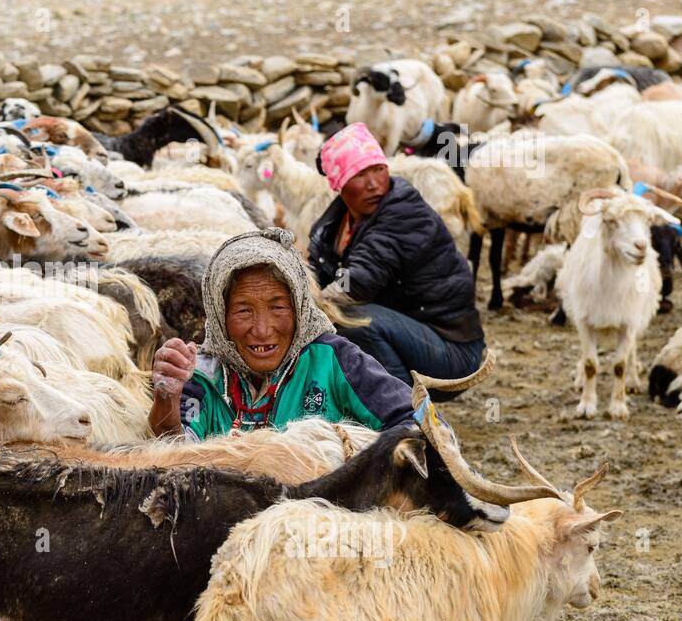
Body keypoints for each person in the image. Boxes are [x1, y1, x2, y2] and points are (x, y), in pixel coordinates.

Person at [149, 228, 415, 440]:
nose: (263, 330)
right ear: (220, 315)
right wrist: (167, 397)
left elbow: (413, 423)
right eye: (244, 311)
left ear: (299, 308)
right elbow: (175, 455)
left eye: (277, 307)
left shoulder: (332, 360)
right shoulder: (202, 374)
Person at [307, 121, 486, 388]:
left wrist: (311, 308)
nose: (373, 184)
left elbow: (358, 281)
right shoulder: (333, 225)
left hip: (450, 346)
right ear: (338, 183)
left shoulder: (404, 211)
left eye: (379, 170)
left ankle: (405, 416)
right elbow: (316, 266)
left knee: (354, 321)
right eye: (359, 175)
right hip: (407, 332)